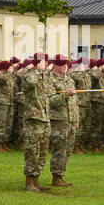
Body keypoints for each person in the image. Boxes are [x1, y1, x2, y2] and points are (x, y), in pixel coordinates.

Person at [22, 55, 53, 191]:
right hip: (34, 119)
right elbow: (30, 83)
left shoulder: (44, 77)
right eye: (45, 62)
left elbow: (50, 94)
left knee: (42, 152)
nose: (47, 64)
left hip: (45, 118)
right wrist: (37, 69)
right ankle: (29, 182)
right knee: (32, 151)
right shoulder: (30, 75)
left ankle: (36, 179)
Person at [47, 55, 76, 187]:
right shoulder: (50, 81)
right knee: (59, 148)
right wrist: (65, 94)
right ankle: (56, 176)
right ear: (55, 65)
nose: (65, 66)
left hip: (70, 119)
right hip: (58, 120)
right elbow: (51, 101)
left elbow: (74, 102)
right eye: (62, 64)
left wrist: (76, 118)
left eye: (66, 64)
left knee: (68, 150)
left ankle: (61, 175)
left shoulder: (69, 80)